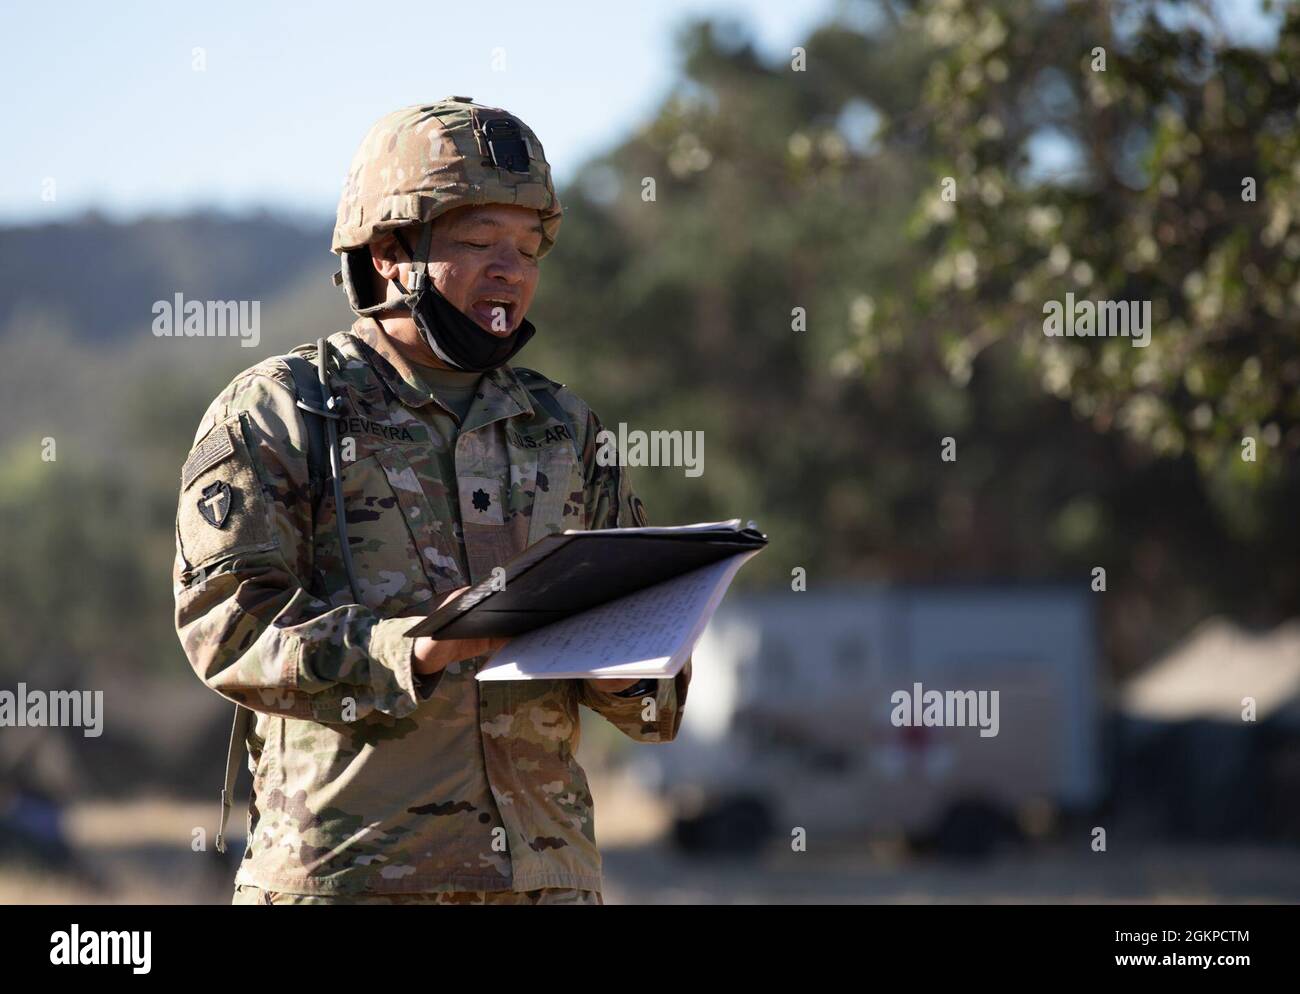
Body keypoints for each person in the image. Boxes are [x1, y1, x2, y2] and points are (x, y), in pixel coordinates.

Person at [172, 97, 691, 905]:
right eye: (480, 244)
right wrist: (405, 650)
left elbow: (649, 699)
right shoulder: (281, 408)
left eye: (527, 249)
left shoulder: (566, 427)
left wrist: (641, 657)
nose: (511, 271)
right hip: (348, 880)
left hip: (545, 882)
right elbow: (226, 625)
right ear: (388, 253)